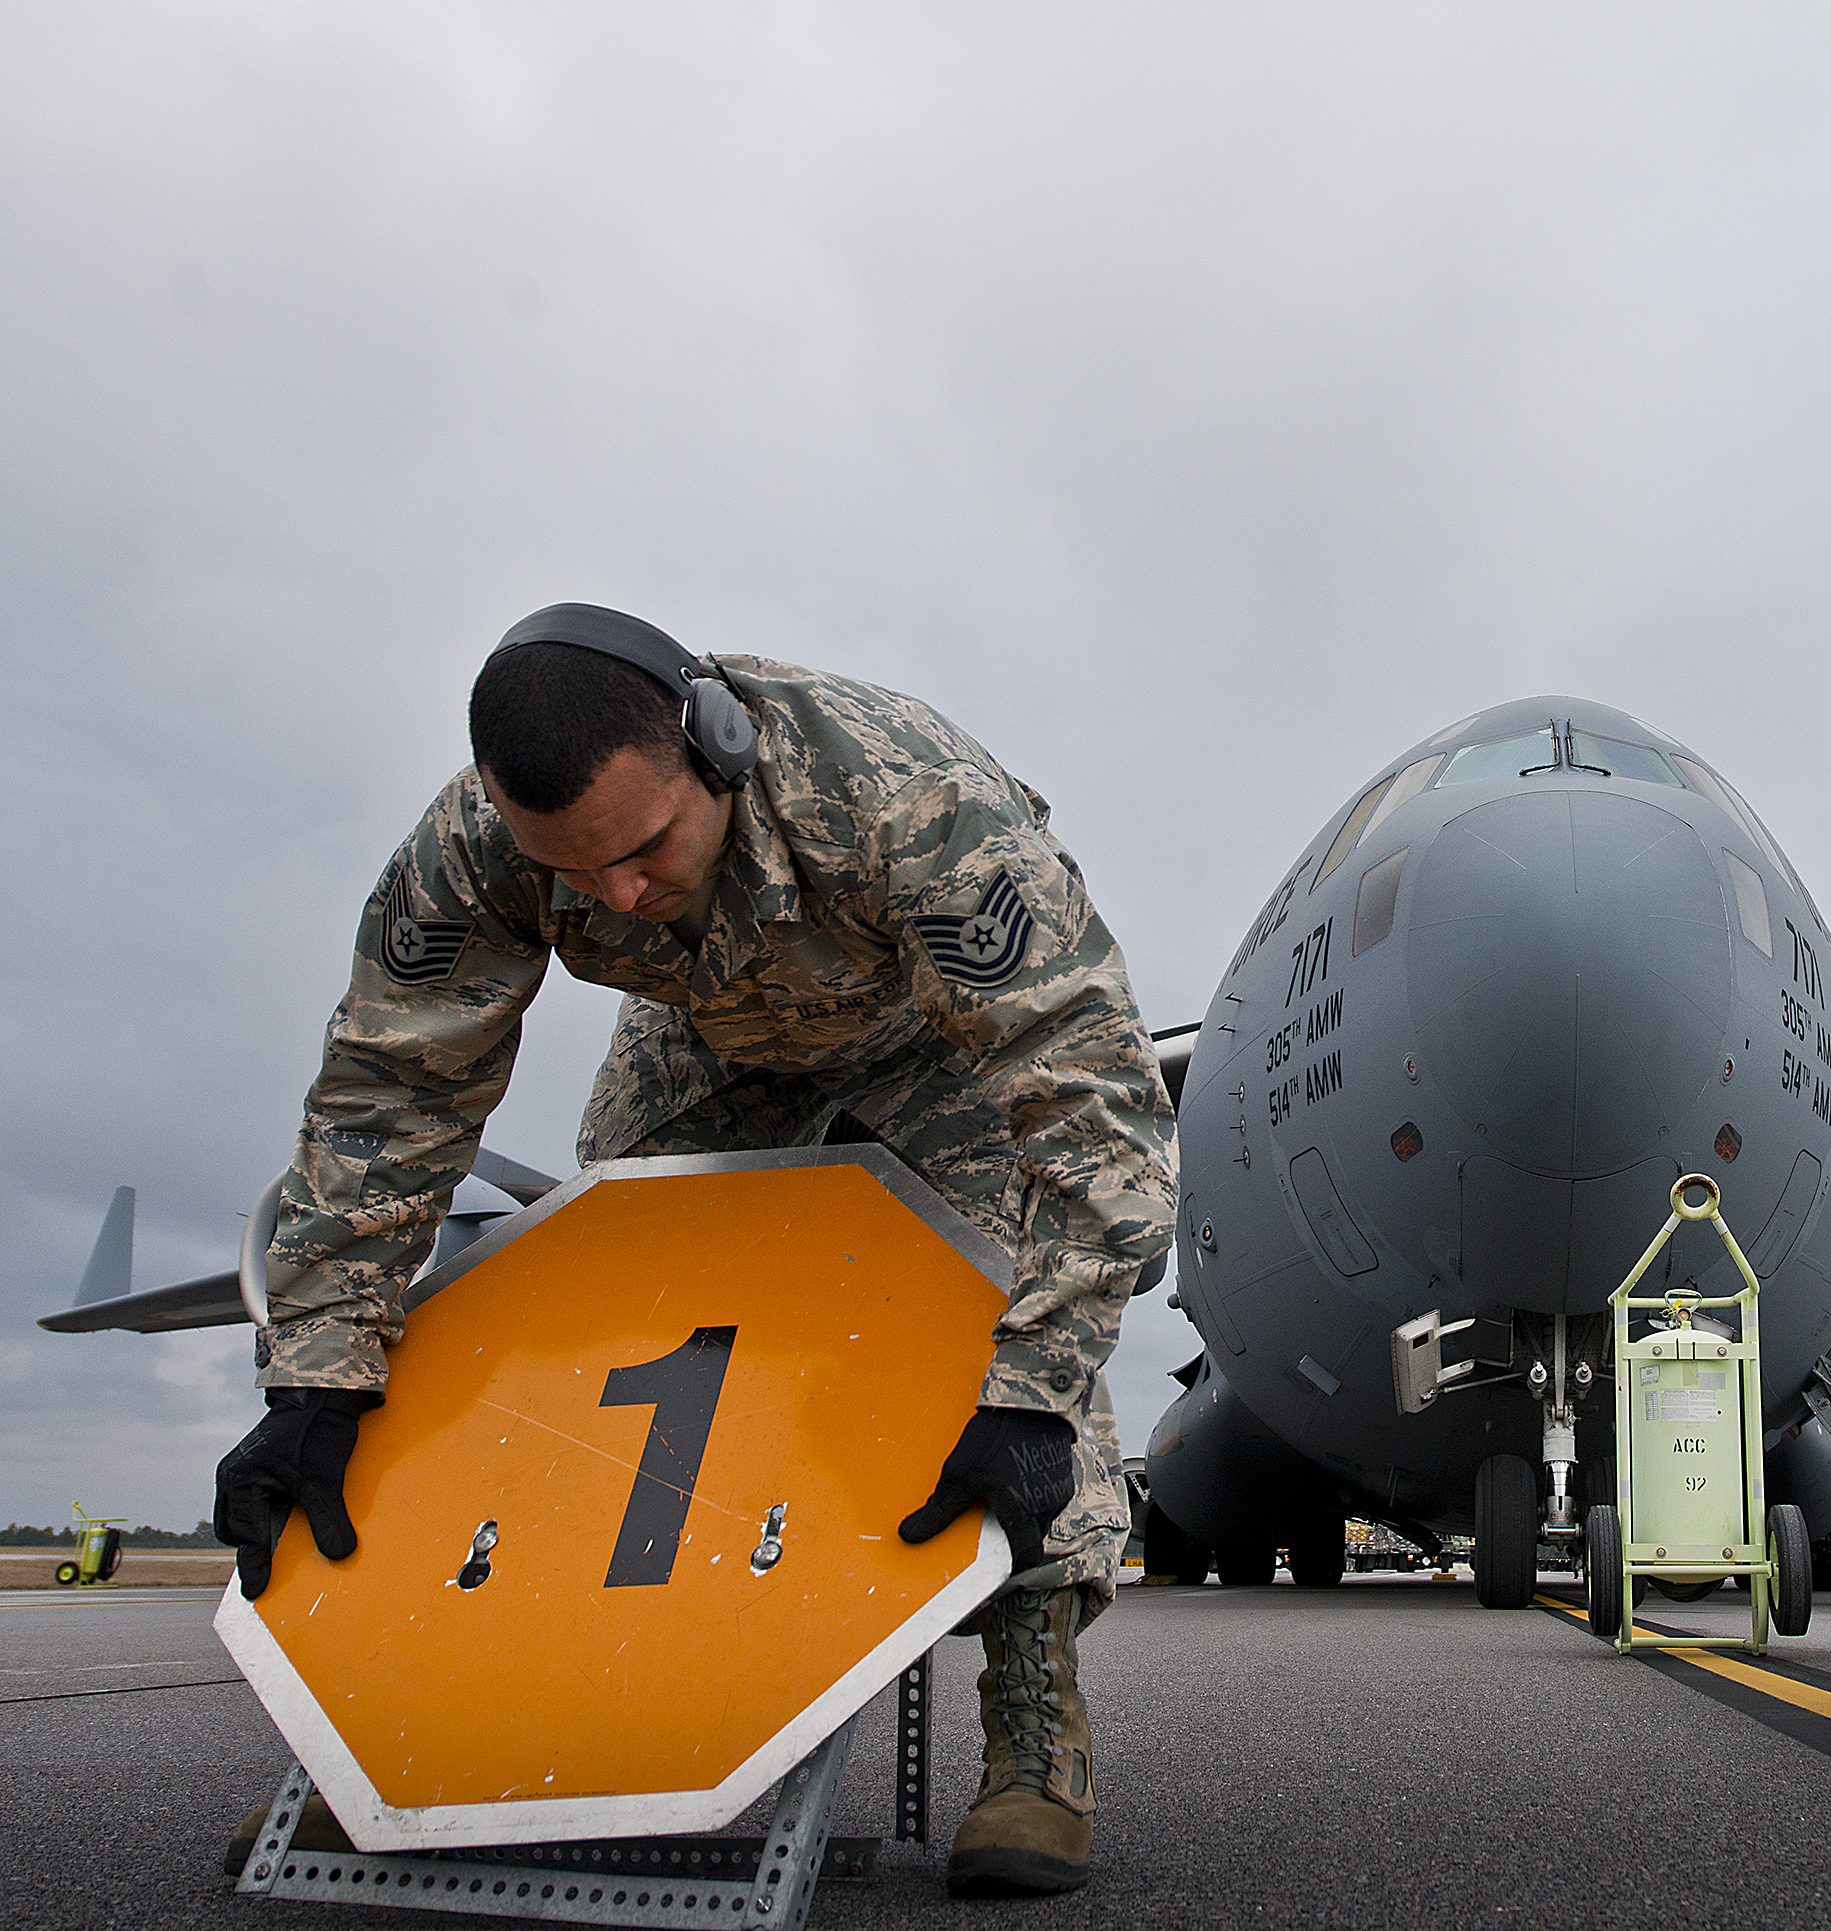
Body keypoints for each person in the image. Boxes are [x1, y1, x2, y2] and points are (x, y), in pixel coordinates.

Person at [210, 603, 1176, 1896]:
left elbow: (1090, 1101)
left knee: (996, 1319)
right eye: (576, 870)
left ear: (720, 748)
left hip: (932, 1042)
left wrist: (1038, 1388)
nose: (614, 892)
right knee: (592, 1304)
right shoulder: (479, 849)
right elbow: (393, 1089)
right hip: (705, 1038)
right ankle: (442, 1750)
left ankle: (1033, 1730)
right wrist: (316, 1369)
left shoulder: (908, 799)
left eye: (647, 845)